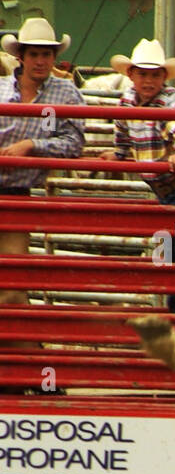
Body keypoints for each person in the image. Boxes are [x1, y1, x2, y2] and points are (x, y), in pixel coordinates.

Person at [101, 38, 175, 315]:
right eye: (143, 74)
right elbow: (123, 132)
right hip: (171, 192)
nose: (149, 81)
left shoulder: (171, 100)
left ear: (164, 77)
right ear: (131, 75)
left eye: (155, 75)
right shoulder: (126, 101)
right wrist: (118, 154)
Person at [0, 18, 85, 310]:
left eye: (46, 54)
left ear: (54, 58)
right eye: (34, 54)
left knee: (12, 290)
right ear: (20, 56)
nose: (40, 61)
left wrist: (33, 146)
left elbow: (73, 144)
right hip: (13, 196)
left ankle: (19, 348)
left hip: (15, 196)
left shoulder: (66, 94)